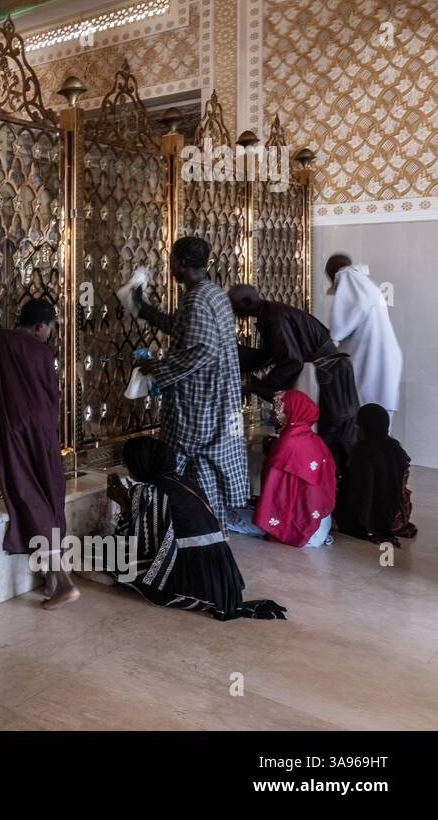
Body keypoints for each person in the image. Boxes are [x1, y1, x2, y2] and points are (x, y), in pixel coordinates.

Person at [131, 236, 247, 532]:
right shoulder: (212, 294)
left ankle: (192, 531)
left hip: (200, 403)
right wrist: (143, 309)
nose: (170, 267)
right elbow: (182, 329)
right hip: (216, 398)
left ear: (181, 264)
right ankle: (207, 529)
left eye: (171, 262)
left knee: (187, 462)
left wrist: (157, 367)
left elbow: (203, 349)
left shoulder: (197, 299)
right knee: (202, 466)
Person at [0, 297, 77, 608]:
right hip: (45, 427)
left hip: (17, 425)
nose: (50, 334)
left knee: (27, 491)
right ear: (40, 325)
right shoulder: (42, 351)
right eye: (51, 328)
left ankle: (62, 580)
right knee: (50, 490)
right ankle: (53, 580)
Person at [104, 437, 286, 620]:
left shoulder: (149, 491)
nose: (128, 469)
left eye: (128, 464)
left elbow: (138, 546)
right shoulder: (186, 483)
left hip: (195, 585)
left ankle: (111, 577)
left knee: (100, 550)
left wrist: (125, 506)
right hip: (224, 583)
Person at [228, 284, 359, 470]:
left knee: (335, 432)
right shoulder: (270, 314)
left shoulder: (275, 317)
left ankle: (333, 484)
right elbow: (274, 355)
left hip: (331, 375)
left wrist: (258, 387)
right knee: (333, 432)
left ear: (247, 302)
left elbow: (292, 361)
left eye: (234, 306)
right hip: (330, 372)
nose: (233, 312)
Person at [253, 390, 336, 547]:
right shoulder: (313, 439)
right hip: (319, 525)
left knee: (231, 519)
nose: (275, 413)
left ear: (294, 411)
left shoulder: (288, 444)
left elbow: (275, 494)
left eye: (281, 409)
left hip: (300, 531)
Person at [325, 254, 402, 415]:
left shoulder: (350, 282)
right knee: (380, 422)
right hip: (385, 363)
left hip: (370, 364)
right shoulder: (367, 287)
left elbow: (338, 330)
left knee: (365, 420)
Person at [337, 403, 417, 544]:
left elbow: (359, 493)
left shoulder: (362, 451)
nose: (357, 428)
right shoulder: (395, 446)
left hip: (367, 519)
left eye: (359, 425)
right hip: (396, 515)